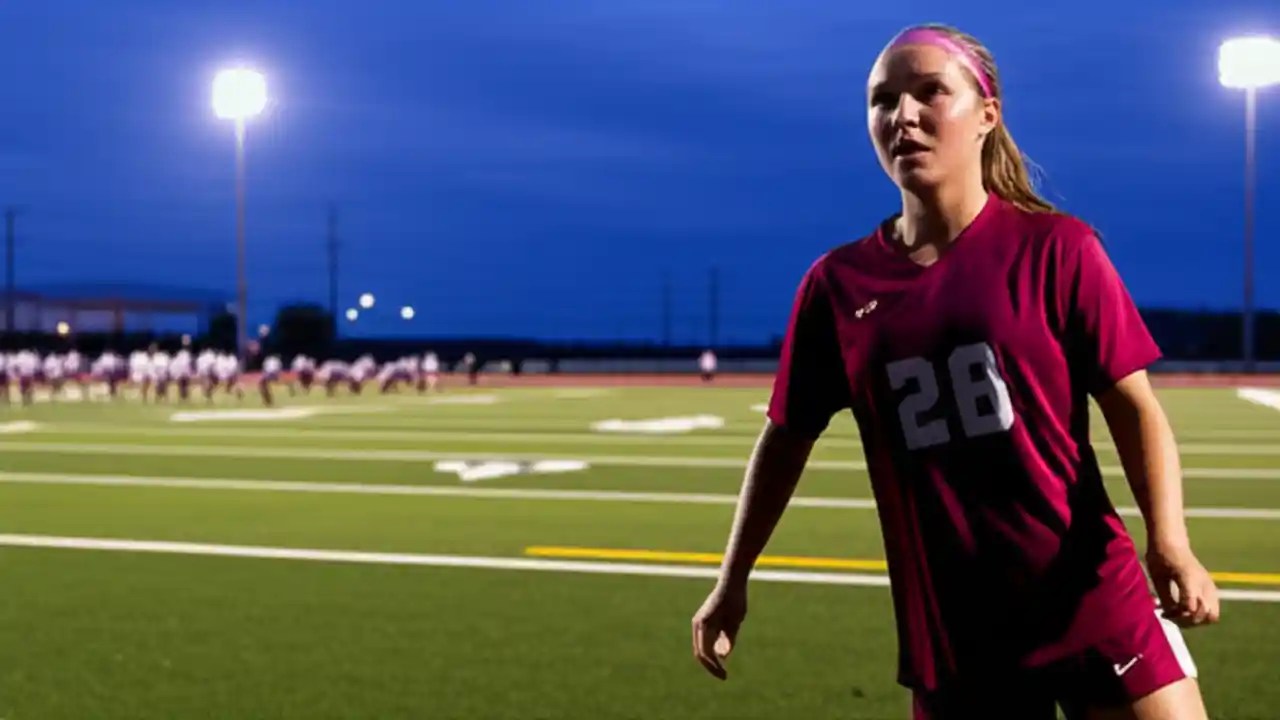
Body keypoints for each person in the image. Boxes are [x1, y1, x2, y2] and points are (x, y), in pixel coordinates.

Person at [691, 23, 1218, 720]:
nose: (902, 116)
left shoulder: (1058, 248)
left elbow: (1134, 407)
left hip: (1091, 597)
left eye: (929, 92)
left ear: (987, 116)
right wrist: (733, 581)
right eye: (882, 101)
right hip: (955, 636)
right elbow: (785, 438)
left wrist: (1170, 543)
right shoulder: (837, 285)